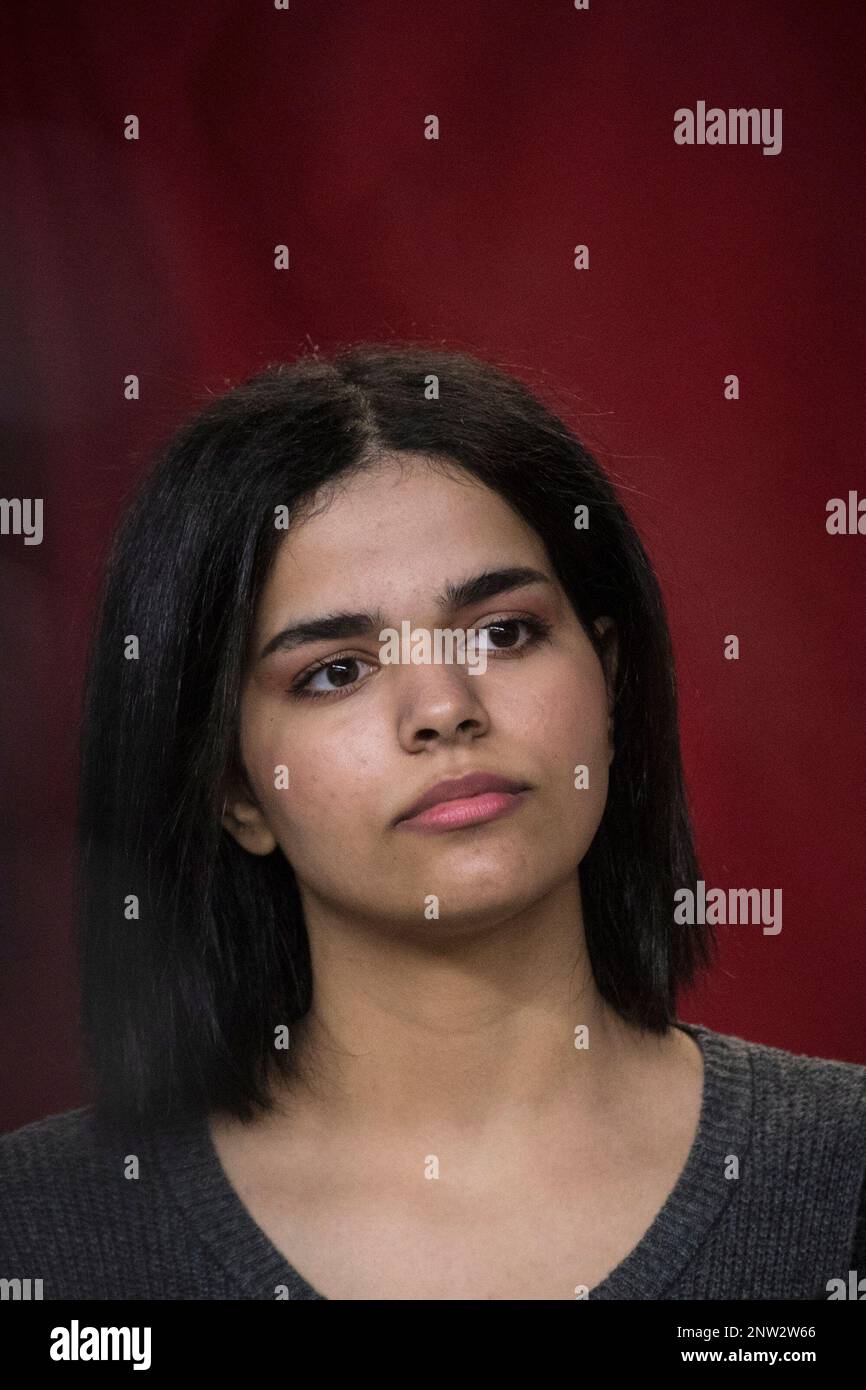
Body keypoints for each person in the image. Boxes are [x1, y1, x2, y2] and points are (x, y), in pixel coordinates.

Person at [1, 343, 864, 1300]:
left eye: (504, 632)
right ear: (235, 790)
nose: (445, 707)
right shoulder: (40, 1236)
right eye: (336, 670)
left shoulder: (842, 1181)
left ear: (610, 683)